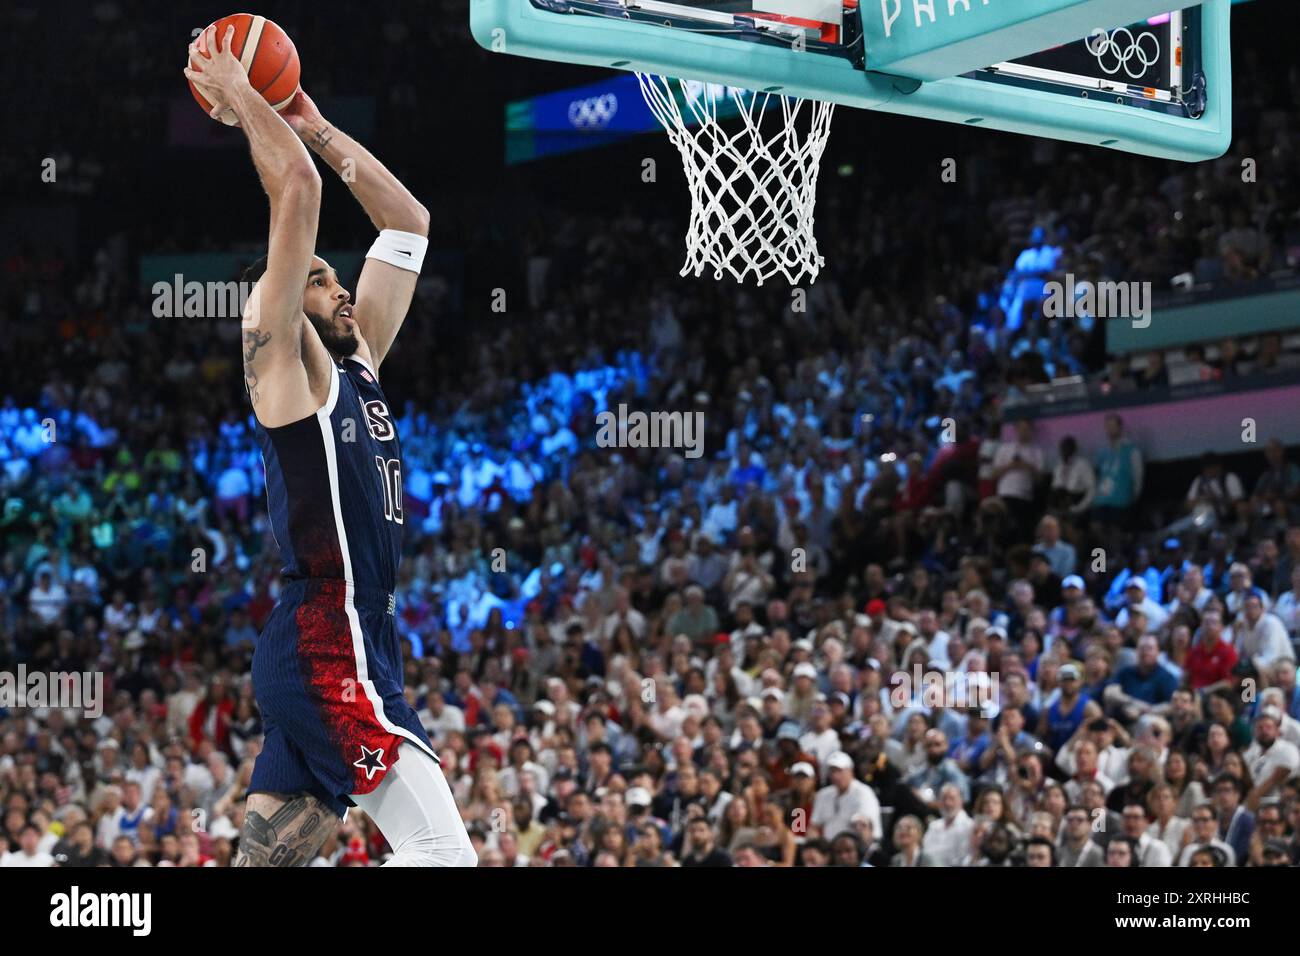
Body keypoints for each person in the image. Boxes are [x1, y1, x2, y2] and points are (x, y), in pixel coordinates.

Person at [184, 26, 471, 867]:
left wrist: (307, 116)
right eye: (319, 280)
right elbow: (298, 194)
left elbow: (407, 223)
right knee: (443, 853)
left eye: (341, 281)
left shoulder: (359, 361)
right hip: (329, 633)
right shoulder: (281, 363)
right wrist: (242, 95)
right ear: (278, 299)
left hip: (346, 634)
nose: (342, 289)